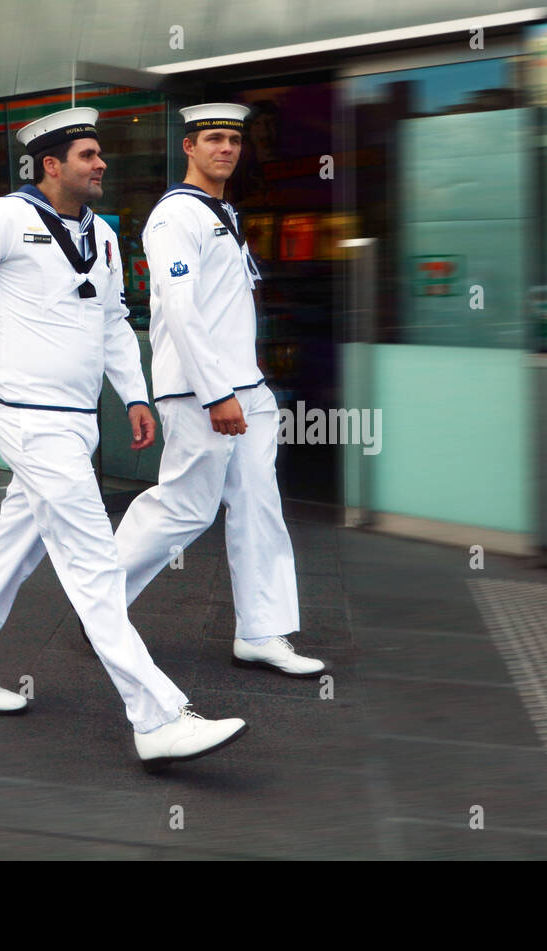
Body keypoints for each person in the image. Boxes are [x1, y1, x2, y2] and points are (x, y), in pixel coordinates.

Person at [0, 106, 247, 770]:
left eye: (100, 155)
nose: (102, 165)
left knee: (14, 545)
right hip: (28, 418)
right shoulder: (3, 217)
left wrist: (134, 395)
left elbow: (114, 321)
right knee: (94, 561)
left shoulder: (101, 234)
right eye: (90, 155)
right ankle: (155, 716)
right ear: (51, 165)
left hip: (75, 420)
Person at [112, 103, 324, 678]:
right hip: (202, 392)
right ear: (189, 147)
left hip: (246, 387)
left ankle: (262, 632)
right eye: (213, 139)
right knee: (184, 507)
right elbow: (180, 311)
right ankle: (100, 605)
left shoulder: (222, 211)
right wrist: (216, 392)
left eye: (233, 139)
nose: (226, 148)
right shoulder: (174, 216)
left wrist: (245, 387)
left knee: (260, 507)